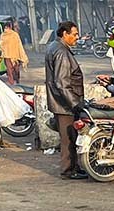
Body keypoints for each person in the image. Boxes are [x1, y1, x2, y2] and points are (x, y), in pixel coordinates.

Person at [46, 21, 86, 179]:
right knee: (68, 139)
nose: (77, 37)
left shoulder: (54, 47)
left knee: (70, 137)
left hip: (61, 102)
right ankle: (68, 170)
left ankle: (74, 166)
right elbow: (62, 83)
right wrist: (75, 104)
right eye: (74, 34)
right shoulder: (61, 52)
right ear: (65, 34)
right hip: (64, 105)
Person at [0, 18, 28, 85]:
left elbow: (19, 45)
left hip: (14, 56)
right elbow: (1, 45)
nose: (6, 29)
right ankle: (12, 83)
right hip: (8, 56)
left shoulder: (14, 35)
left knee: (14, 70)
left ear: (9, 27)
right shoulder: (3, 35)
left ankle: (16, 81)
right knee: (10, 71)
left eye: (7, 27)